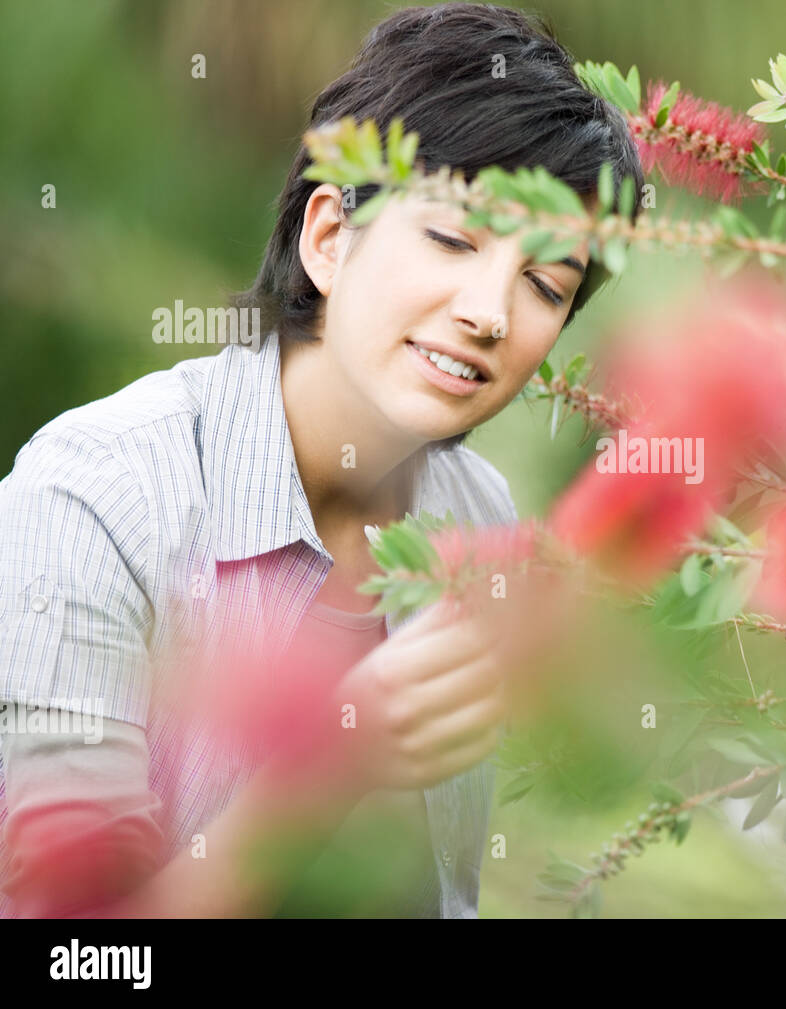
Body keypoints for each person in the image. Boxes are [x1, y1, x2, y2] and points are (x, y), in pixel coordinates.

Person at [0, 2, 643, 918]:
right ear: (330, 237)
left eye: (546, 285)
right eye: (454, 239)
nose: (490, 311)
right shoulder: (97, 496)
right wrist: (334, 765)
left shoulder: (480, 517)